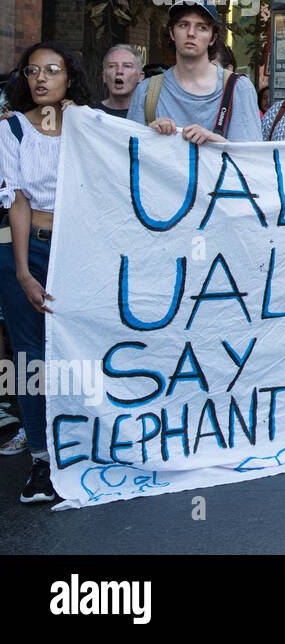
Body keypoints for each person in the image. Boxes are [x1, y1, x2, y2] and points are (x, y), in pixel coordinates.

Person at [0, 42, 93, 502]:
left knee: (80, 349)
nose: (41, 79)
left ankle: (82, 450)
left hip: (77, 252)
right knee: (30, 358)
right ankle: (41, 461)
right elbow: (17, 201)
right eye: (32, 71)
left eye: (52, 71)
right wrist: (22, 273)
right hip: (28, 250)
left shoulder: (88, 127)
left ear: (69, 79)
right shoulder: (12, 130)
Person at [128, 0, 261, 143]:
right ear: (172, 33)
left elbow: (249, 158)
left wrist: (213, 140)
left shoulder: (238, 88)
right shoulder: (147, 91)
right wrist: (148, 135)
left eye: (202, 27)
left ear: (212, 38)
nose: (191, 33)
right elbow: (129, 155)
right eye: (183, 25)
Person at [95, 44, 143, 117]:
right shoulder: (91, 114)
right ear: (104, 76)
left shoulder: (149, 116)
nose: (119, 71)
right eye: (112, 66)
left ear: (140, 77)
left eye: (127, 66)